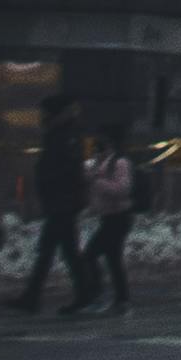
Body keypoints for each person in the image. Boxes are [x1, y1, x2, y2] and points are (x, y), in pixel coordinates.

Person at [18, 96, 93, 315]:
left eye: (46, 112)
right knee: (63, 250)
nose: (43, 117)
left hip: (63, 201)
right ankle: (82, 293)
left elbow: (67, 169)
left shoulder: (65, 135)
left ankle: (33, 297)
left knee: (51, 250)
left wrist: (51, 183)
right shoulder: (59, 133)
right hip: (60, 201)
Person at [80, 121, 139, 316]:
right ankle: (122, 300)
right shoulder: (101, 166)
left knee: (91, 254)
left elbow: (123, 189)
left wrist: (98, 181)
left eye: (100, 149)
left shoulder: (120, 163)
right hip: (108, 217)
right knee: (113, 260)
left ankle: (99, 295)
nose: (98, 153)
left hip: (119, 217)